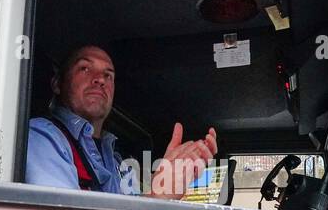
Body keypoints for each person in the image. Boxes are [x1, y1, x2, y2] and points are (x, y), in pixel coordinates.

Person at [25, 44, 218, 199]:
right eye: (84, 68)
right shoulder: (42, 137)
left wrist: (165, 187)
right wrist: (159, 195)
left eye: (108, 75)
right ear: (58, 84)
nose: (100, 79)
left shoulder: (118, 162)